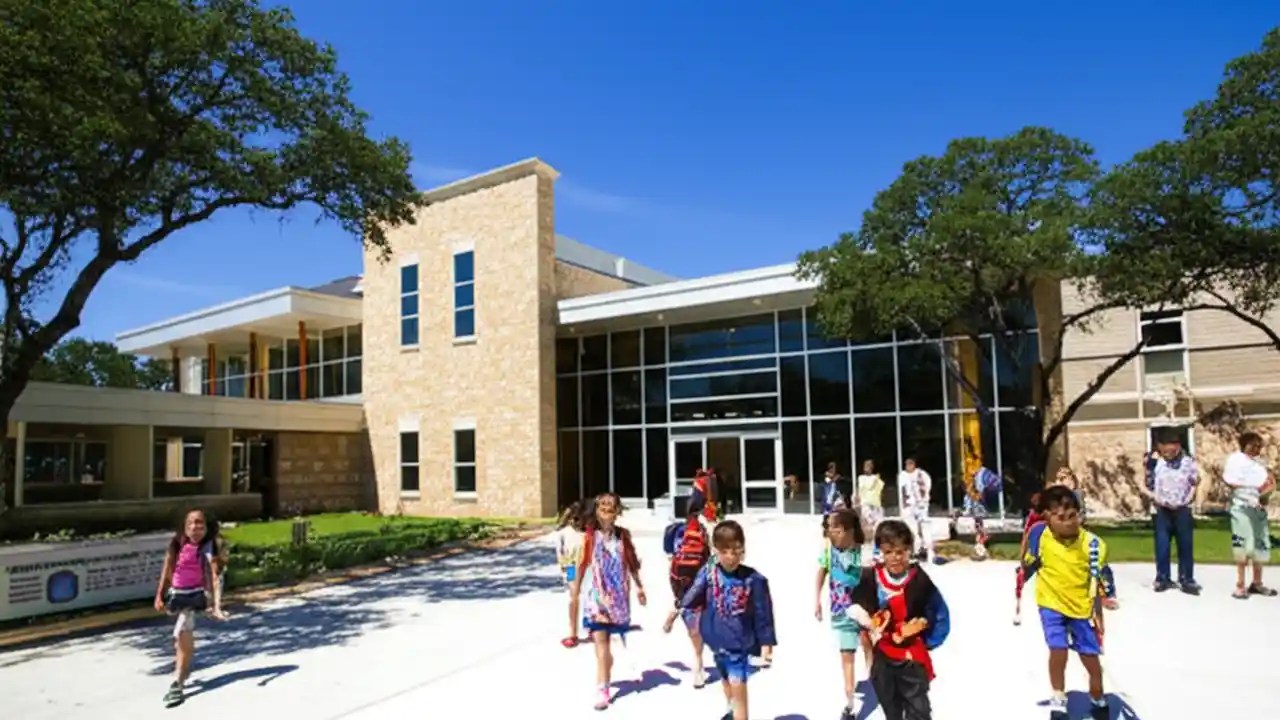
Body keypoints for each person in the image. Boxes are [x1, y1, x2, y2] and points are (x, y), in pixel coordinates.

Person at [664, 520, 776, 720]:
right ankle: (732, 711)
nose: (731, 557)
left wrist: (767, 644)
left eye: (737, 551)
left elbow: (763, 613)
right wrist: (675, 611)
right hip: (717, 642)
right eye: (725, 551)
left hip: (740, 645)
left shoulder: (753, 579)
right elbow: (693, 593)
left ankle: (738, 714)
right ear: (715, 550)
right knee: (726, 681)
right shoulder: (709, 573)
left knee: (738, 686)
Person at [1023, 486, 1115, 720]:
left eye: (1073, 515)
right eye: (1060, 517)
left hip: (1082, 608)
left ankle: (1097, 696)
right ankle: (1058, 696)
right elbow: (1028, 561)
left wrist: (1106, 597)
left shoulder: (1093, 544)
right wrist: (1023, 573)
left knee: (1090, 658)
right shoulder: (1039, 536)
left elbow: (1102, 574)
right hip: (1050, 602)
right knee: (1058, 649)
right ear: (1047, 517)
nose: (1068, 522)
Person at [845, 519, 950, 720]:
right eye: (888, 552)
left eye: (901, 552)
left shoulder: (918, 579)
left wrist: (922, 626)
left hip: (911, 657)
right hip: (883, 655)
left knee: (918, 710)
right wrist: (866, 619)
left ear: (909, 551)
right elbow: (854, 605)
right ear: (880, 552)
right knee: (891, 709)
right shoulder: (871, 576)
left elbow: (936, 612)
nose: (895, 558)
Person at [571, 492, 646, 711]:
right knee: (600, 641)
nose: (605, 510)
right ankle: (602, 688)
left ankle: (606, 669)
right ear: (596, 510)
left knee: (607, 645)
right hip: (596, 596)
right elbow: (581, 564)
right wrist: (574, 589)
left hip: (618, 596)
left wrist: (640, 586)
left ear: (617, 512)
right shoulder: (589, 536)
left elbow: (632, 563)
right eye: (601, 506)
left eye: (610, 507)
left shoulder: (623, 536)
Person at [153, 508, 226, 708]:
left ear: (206, 527)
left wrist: (216, 605)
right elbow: (167, 570)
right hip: (178, 594)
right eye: (191, 523)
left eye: (200, 523)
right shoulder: (177, 544)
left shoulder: (208, 546)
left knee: (183, 628)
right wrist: (160, 594)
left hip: (196, 596)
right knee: (180, 636)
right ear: (184, 528)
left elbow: (214, 576)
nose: (196, 527)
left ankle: (177, 684)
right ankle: (184, 666)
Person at [815, 508, 873, 720]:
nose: (832, 533)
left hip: (865, 610)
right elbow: (821, 573)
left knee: (867, 641)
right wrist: (817, 601)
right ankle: (849, 704)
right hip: (842, 613)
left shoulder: (862, 552)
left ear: (849, 531)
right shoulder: (829, 553)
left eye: (837, 529)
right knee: (846, 657)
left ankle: (871, 671)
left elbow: (874, 577)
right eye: (830, 528)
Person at [1141, 433, 1201, 594]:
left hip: (1182, 509)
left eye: (1171, 448)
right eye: (1164, 448)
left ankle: (1187, 579)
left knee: (1185, 546)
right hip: (1162, 510)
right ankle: (1162, 578)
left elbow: (1195, 483)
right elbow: (1144, 486)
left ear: (1178, 446)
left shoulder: (1188, 463)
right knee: (1162, 545)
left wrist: (1188, 499)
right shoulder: (1154, 464)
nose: (1168, 452)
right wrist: (1157, 499)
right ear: (1160, 447)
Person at [1222, 432, 1277, 599]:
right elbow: (1230, 481)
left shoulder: (1260, 463)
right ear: (1244, 445)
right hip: (1241, 509)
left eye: (1259, 446)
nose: (1256, 449)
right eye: (1253, 445)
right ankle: (1240, 585)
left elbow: (1270, 482)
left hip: (1258, 509)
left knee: (1260, 545)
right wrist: (1252, 488)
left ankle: (1257, 583)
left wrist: (1266, 492)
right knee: (1242, 545)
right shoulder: (1235, 460)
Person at [664, 496, 712, 687]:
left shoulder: (672, 531)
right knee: (696, 623)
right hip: (698, 578)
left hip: (679, 580)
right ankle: (698, 664)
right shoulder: (701, 531)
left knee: (690, 617)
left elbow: (669, 556)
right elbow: (708, 556)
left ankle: (676, 610)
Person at [554, 500, 586, 647]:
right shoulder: (563, 533)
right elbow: (560, 556)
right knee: (574, 597)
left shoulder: (588, 533)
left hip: (586, 567)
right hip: (571, 567)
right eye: (576, 517)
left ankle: (594, 626)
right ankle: (573, 633)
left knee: (590, 597)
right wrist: (566, 573)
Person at [1013, 491, 1046, 626]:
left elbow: (1025, 539)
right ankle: (1018, 609)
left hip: (1039, 556)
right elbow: (1026, 538)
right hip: (1040, 555)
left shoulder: (1039, 518)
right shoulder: (1039, 517)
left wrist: (1022, 558)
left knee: (1021, 579)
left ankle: (1018, 609)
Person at [898, 458, 933, 561]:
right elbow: (903, 491)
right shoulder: (903, 476)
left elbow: (927, 487)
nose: (909, 466)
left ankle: (927, 550)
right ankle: (916, 550)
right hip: (909, 506)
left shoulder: (921, 474)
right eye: (907, 464)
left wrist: (923, 500)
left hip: (921, 505)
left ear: (914, 464)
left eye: (911, 464)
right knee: (912, 529)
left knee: (924, 528)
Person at [857, 459, 886, 535]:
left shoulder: (877, 478)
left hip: (876, 505)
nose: (867, 468)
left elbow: (880, 490)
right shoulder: (861, 478)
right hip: (866, 505)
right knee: (868, 525)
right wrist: (876, 479)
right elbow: (869, 486)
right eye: (866, 466)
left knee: (879, 526)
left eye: (869, 466)